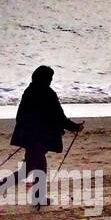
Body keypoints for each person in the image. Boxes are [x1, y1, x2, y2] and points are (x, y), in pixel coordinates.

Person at [9, 65, 83, 209]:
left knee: (38, 167)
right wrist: (75, 127)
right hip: (38, 139)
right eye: (49, 78)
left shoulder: (29, 91)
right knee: (29, 169)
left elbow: (21, 116)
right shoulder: (47, 93)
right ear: (45, 78)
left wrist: (27, 135)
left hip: (30, 137)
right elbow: (59, 117)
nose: (50, 80)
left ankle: (38, 197)